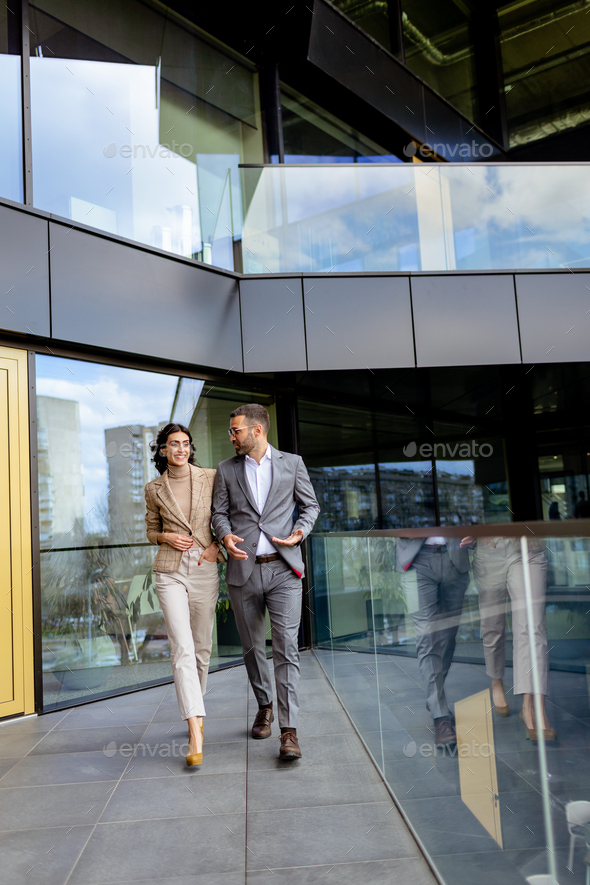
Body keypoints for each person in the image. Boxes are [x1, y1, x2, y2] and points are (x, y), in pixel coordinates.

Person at [211, 404, 320, 761]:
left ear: (257, 430)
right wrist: (224, 535)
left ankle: (289, 731)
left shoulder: (292, 463)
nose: (231, 436)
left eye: (236, 430)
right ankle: (264, 705)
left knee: (286, 648)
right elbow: (219, 513)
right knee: (252, 647)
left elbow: (310, 506)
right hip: (243, 571)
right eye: (231, 431)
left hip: (284, 571)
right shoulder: (226, 469)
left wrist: (300, 531)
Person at [145, 423, 224, 767]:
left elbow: (227, 516)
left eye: (186, 444)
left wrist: (217, 548)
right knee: (182, 647)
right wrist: (165, 537)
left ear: (190, 448)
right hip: (170, 570)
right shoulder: (153, 488)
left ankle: (197, 709)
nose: (180, 449)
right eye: (174, 444)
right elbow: (151, 529)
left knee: (202, 648)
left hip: (205, 564)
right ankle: (194, 730)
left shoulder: (211, 477)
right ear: (163, 450)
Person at [461, 535, 556, 742]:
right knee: (493, 626)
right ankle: (496, 680)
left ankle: (533, 708)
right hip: (489, 548)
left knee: (532, 627)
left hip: (528, 545)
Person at [396, 535, 470, 746]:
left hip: (455, 559)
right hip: (415, 563)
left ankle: (435, 697)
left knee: (448, 635)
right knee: (426, 637)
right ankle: (441, 718)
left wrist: (473, 531)